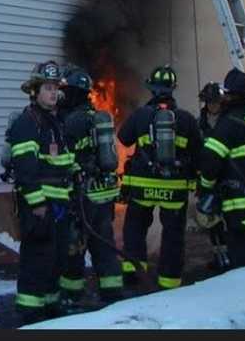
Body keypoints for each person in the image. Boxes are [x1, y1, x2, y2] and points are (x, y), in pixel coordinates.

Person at [117, 65, 202, 291]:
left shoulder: (141, 115)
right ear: (173, 89)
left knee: (135, 230)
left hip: (142, 187)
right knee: (173, 235)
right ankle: (169, 281)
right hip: (174, 189)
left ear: (151, 88)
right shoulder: (186, 119)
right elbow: (198, 152)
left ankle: (133, 274)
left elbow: (123, 139)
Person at [7, 60, 75, 324]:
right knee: (37, 258)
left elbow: (63, 161)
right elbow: (25, 170)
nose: (53, 93)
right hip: (39, 205)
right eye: (47, 88)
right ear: (34, 91)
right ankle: (30, 310)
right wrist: (38, 204)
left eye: (55, 88)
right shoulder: (27, 123)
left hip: (59, 203)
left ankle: (50, 303)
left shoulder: (55, 122)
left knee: (56, 257)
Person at [196, 68, 245, 269]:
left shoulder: (229, 123)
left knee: (242, 264)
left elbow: (211, 159)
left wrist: (205, 187)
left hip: (240, 204)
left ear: (230, 95)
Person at [56, 66, 123, 310]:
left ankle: (72, 293)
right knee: (103, 241)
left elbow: (65, 158)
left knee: (74, 244)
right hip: (102, 193)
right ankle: (112, 289)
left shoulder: (71, 121)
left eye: (65, 90)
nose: (62, 95)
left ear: (74, 92)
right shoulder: (95, 116)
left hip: (81, 193)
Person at [196, 82, 230, 273]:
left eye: (215, 102)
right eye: (209, 102)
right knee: (211, 220)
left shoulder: (228, 120)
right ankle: (218, 256)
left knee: (228, 218)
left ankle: (231, 255)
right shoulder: (199, 122)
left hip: (227, 175)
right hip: (207, 176)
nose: (212, 105)